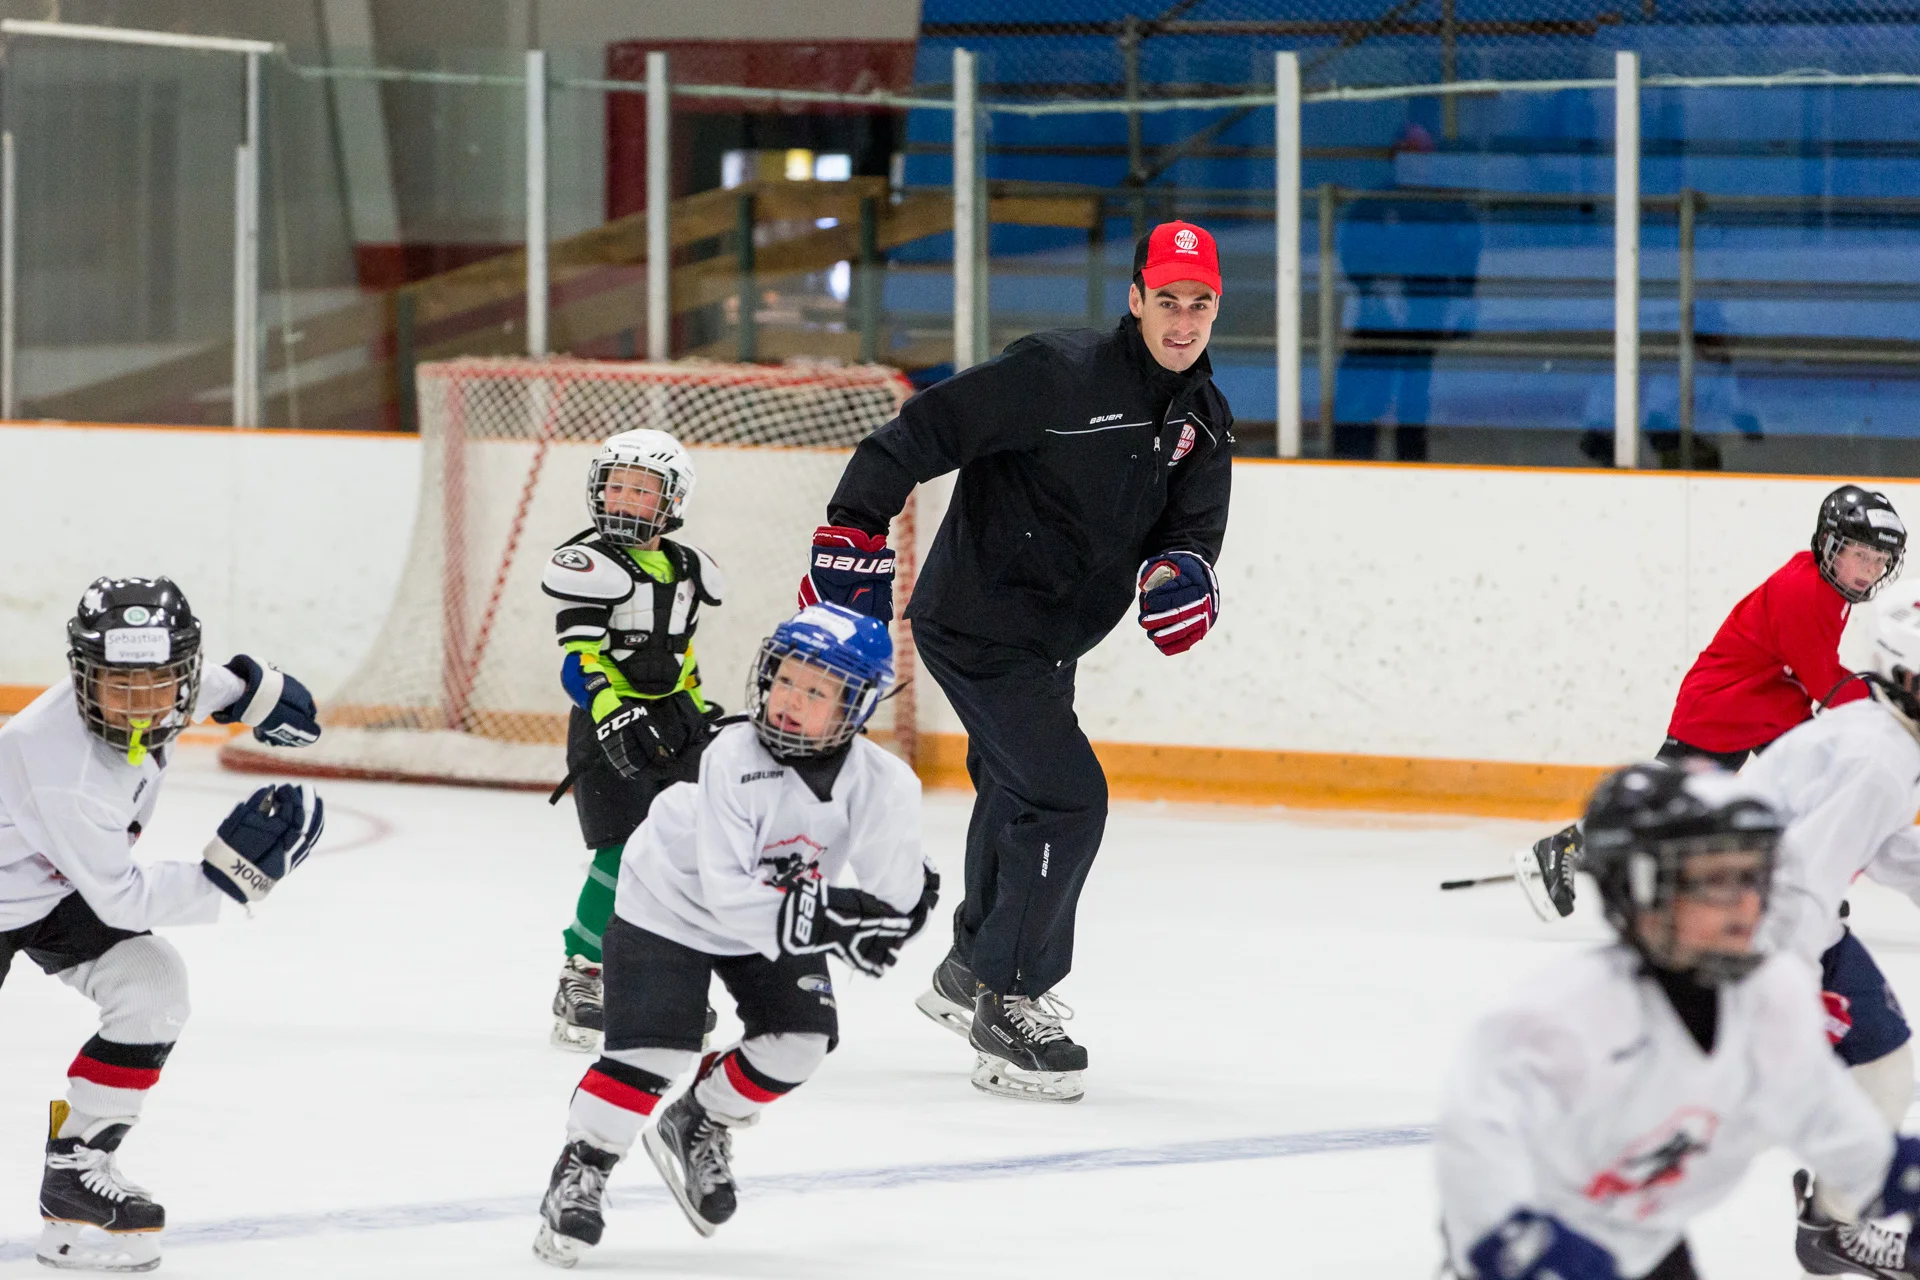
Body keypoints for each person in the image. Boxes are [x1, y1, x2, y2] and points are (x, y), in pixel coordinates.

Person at [800, 219, 1234, 1103]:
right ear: (1136, 299)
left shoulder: (1201, 416)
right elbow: (918, 435)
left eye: (1200, 304)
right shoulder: (1056, 373)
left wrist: (1181, 570)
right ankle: (1012, 996)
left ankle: (971, 971)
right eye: (1168, 301)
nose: (1183, 321)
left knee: (1013, 786)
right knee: (1066, 795)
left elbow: (1190, 529)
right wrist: (854, 524)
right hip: (979, 619)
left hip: (1055, 635)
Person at [532, 604, 939, 1267]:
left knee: (800, 1046)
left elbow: (893, 895)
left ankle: (702, 1119)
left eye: (816, 691)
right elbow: (728, 891)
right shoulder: (732, 755)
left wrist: (902, 911)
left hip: (770, 914)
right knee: (656, 1055)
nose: (790, 700)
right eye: (786, 680)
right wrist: (838, 919)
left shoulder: (885, 783)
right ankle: (584, 1167)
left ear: (855, 706)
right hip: (668, 904)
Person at [1438, 763, 1920, 1280]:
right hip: (1552, 1249)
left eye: (1751, 876)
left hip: (1650, 1246)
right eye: (1712, 880)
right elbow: (1476, 1159)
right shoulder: (1547, 1021)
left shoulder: (1771, 992)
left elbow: (1819, 1112)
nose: (1744, 903)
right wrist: (1523, 1250)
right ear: (1640, 890)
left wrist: (1894, 1172)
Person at [0, 576, 326, 1272]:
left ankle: (76, 1174)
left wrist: (255, 691)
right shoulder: (57, 761)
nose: (141, 702)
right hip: (30, 890)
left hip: (47, 890)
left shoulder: (169, 683)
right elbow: (118, 897)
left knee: (152, 988)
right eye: (119, 685)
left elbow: (217, 685)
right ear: (84, 677)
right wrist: (229, 875)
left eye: (159, 681)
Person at [1517, 484, 1906, 920]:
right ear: (1830, 545)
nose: (1868, 571)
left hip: (1769, 705)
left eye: (1879, 561)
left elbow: (1814, 672)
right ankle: (1562, 846)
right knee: (1663, 804)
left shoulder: (1828, 584)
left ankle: (1797, 886)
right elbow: (1824, 681)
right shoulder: (1806, 591)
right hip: (1724, 707)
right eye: (1860, 555)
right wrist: (1884, 702)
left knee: (1810, 786)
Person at [541, 429, 725, 1050]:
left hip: (673, 719)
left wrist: (700, 713)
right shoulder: (587, 562)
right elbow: (578, 661)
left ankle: (655, 976)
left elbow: (681, 653)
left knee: (687, 853)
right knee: (621, 852)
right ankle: (583, 973)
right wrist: (612, 711)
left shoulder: (688, 567)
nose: (623, 497)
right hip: (606, 723)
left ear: (672, 500)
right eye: (615, 484)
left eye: (640, 489)